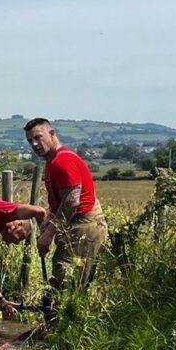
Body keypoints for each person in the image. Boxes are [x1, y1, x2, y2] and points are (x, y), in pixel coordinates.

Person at [24, 118, 107, 296]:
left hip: (84, 226)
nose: (35, 144)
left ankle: (65, 321)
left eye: (38, 137)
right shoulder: (52, 161)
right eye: (30, 140)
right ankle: (60, 320)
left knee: (68, 282)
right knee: (64, 277)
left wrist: (47, 234)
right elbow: (60, 200)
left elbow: (71, 202)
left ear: (52, 134)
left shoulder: (63, 161)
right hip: (73, 225)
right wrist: (49, 218)